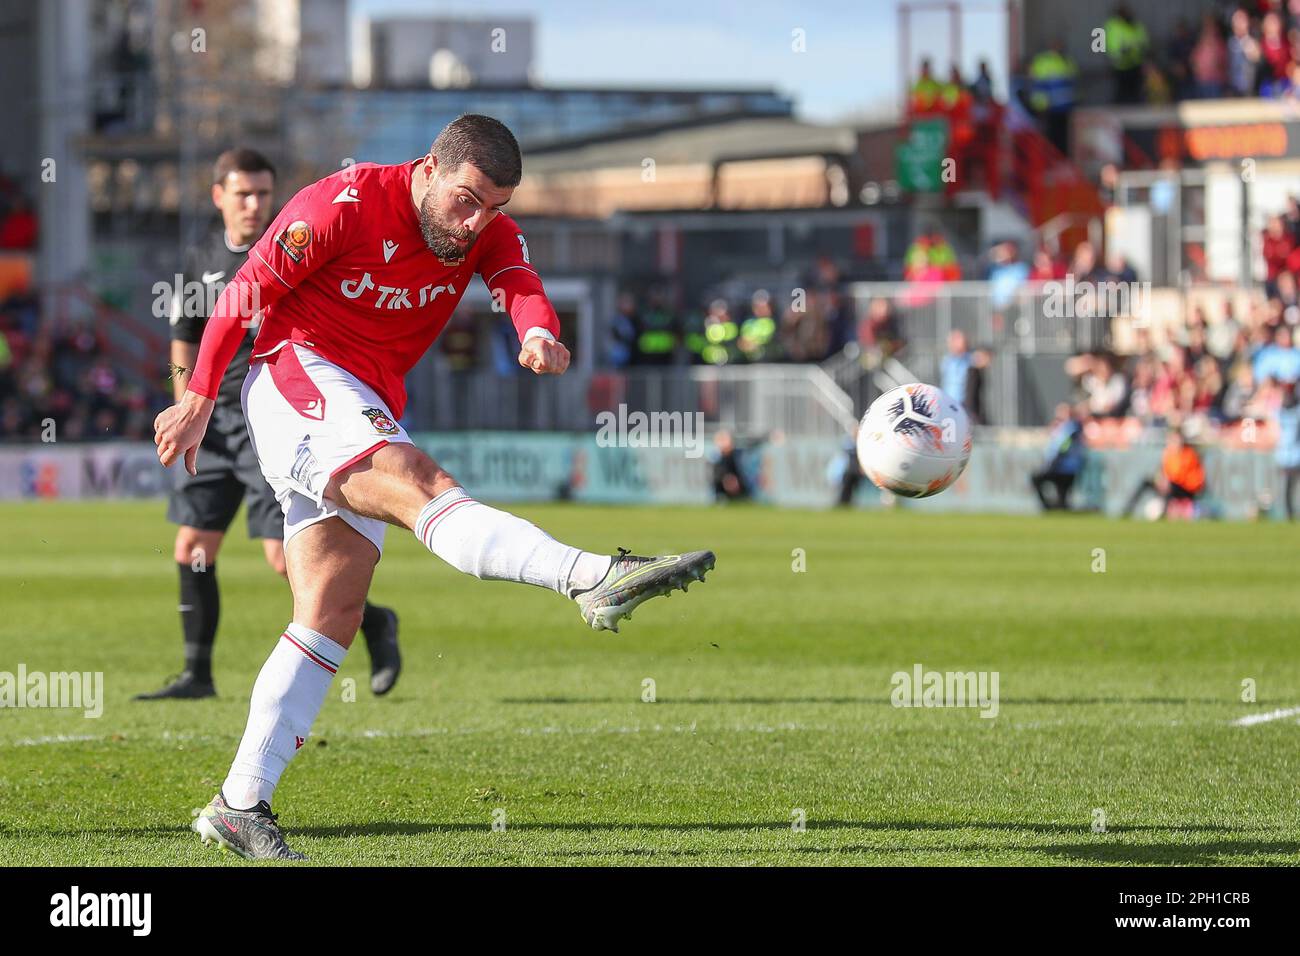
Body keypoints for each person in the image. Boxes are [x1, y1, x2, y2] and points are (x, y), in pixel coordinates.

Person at [153, 115, 716, 859]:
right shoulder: (342, 203)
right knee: (424, 485)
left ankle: (238, 803)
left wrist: (536, 330)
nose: (478, 220)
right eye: (468, 199)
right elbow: (243, 296)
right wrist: (196, 396)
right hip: (297, 376)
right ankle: (593, 578)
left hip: (367, 400)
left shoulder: (485, 229)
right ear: (430, 169)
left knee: (331, 610)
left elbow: (518, 281)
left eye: (496, 207)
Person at [138, 148, 402, 701]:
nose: (256, 204)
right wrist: (188, 406)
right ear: (219, 196)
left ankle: (375, 622)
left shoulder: (291, 245)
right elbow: (184, 337)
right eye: (244, 193)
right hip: (212, 421)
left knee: (283, 557)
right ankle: (197, 675)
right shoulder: (200, 259)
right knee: (193, 546)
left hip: (270, 418)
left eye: (264, 192)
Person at [1122, 427, 1206, 518]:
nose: (1172, 442)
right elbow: (1163, 470)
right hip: (1170, 484)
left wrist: (1167, 481)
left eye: (1175, 440)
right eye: (1171, 439)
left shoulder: (1189, 454)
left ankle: (1163, 512)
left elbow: (1180, 476)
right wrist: (1160, 479)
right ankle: (1128, 510)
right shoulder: (1168, 453)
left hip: (1187, 489)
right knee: (1146, 482)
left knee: (1171, 486)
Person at [1031, 403, 1085, 511]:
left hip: (1064, 469)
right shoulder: (1063, 427)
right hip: (1063, 468)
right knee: (1062, 501)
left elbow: (1065, 446)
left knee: (1036, 479)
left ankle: (1048, 506)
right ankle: (1053, 506)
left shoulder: (1072, 427)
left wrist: (1053, 462)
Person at [710, 429, 749, 502]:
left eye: (724, 440)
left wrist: (734, 480)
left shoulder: (738, 455)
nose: (722, 443)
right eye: (720, 440)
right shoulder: (715, 456)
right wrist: (726, 479)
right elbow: (716, 474)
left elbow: (743, 472)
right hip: (722, 485)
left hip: (739, 485)